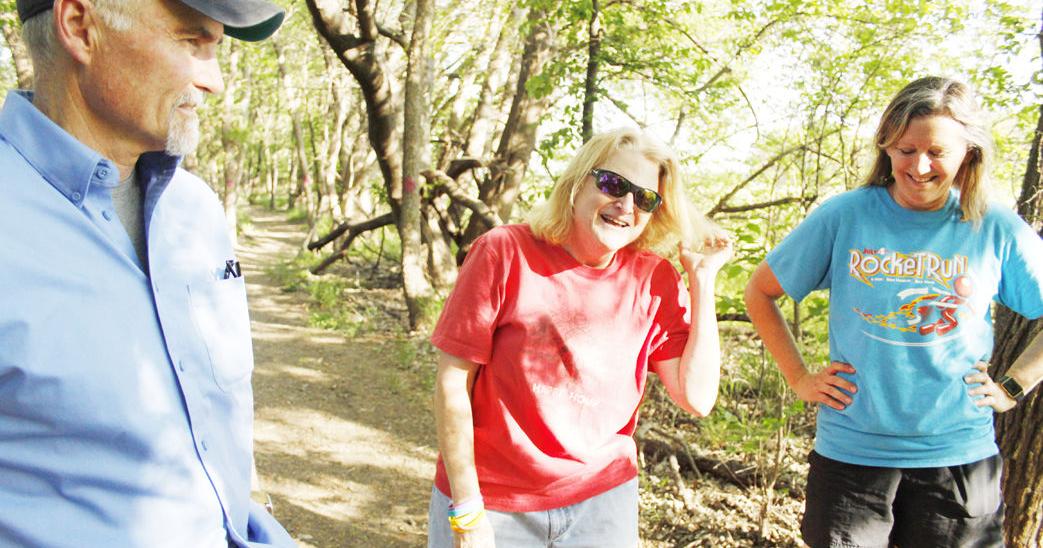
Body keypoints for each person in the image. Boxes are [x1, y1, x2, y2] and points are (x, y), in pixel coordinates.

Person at [0, 0, 294, 546]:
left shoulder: (198, 213)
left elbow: (214, 415)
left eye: (217, 48)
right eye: (191, 42)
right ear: (80, 27)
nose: (216, 82)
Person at [745, 76, 1043, 547]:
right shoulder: (846, 216)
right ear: (885, 147)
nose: (919, 165)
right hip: (851, 461)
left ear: (968, 153)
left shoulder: (993, 227)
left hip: (957, 462)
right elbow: (760, 292)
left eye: (937, 152)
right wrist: (799, 377)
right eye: (905, 149)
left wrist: (1013, 385)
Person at [427, 128, 732, 547]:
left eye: (645, 198)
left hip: (602, 501)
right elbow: (452, 383)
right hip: (495, 500)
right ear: (577, 182)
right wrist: (466, 512)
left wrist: (702, 279)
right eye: (613, 184)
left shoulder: (653, 279)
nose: (626, 205)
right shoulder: (504, 252)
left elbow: (696, 397)